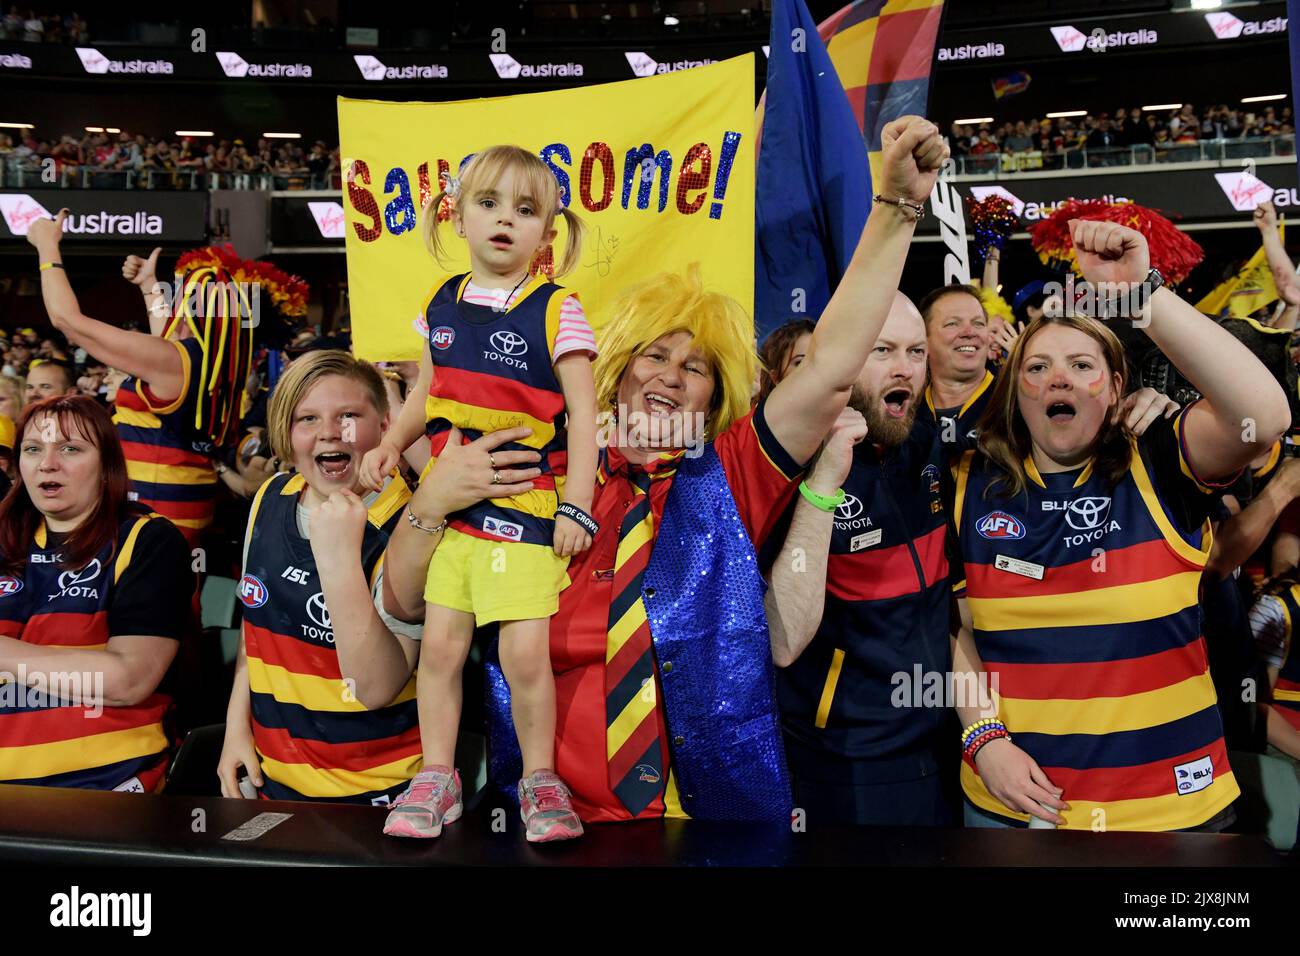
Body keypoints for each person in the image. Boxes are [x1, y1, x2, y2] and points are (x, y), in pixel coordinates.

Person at [378, 115, 951, 826]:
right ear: (614, 372)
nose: (672, 377)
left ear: (718, 394)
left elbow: (833, 366)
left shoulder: (732, 472)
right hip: (549, 825)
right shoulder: (544, 472)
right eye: (654, 356)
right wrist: (432, 498)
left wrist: (896, 208)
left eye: (697, 367)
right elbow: (401, 607)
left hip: (702, 826)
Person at [949, 220, 1291, 830]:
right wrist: (984, 738)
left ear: (1113, 389)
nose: (1057, 378)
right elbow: (955, 630)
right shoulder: (970, 484)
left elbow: (1262, 418)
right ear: (1015, 392)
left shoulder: (1158, 458)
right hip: (1013, 817)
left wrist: (1142, 294)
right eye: (1037, 368)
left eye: (1081, 365)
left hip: (1174, 817)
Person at [360, 144, 598, 842]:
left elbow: (584, 415)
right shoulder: (438, 304)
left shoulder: (561, 310)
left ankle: (539, 781)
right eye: (489, 204)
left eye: (526, 211)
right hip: (452, 510)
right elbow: (428, 392)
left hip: (524, 508)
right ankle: (438, 777)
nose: (505, 221)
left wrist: (576, 504)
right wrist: (385, 441)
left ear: (547, 233)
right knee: (439, 651)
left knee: (525, 657)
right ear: (457, 217)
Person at [217, 351, 423, 804]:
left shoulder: (412, 524)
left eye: (348, 416)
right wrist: (236, 729)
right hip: (274, 782)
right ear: (288, 436)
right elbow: (256, 631)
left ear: (385, 427)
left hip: (380, 795)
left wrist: (339, 558)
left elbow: (377, 687)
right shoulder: (270, 497)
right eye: (307, 418)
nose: (329, 432)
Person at [0, 395, 193, 791]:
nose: (47, 463)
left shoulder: (147, 541)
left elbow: (128, 680)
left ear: (107, 466)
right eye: (33, 449)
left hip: (103, 786)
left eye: (70, 448)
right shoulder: (5, 538)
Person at [28, 219, 259, 549]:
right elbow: (164, 338)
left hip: (152, 515)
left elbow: (67, 320)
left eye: (180, 293)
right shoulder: (209, 361)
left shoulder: (176, 361)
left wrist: (47, 246)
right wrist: (149, 285)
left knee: (144, 597)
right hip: (179, 511)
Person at [918, 284, 994, 447]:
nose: (969, 331)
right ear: (924, 341)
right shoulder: (905, 412)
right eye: (952, 324)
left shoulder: (1014, 402)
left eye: (978, 323)